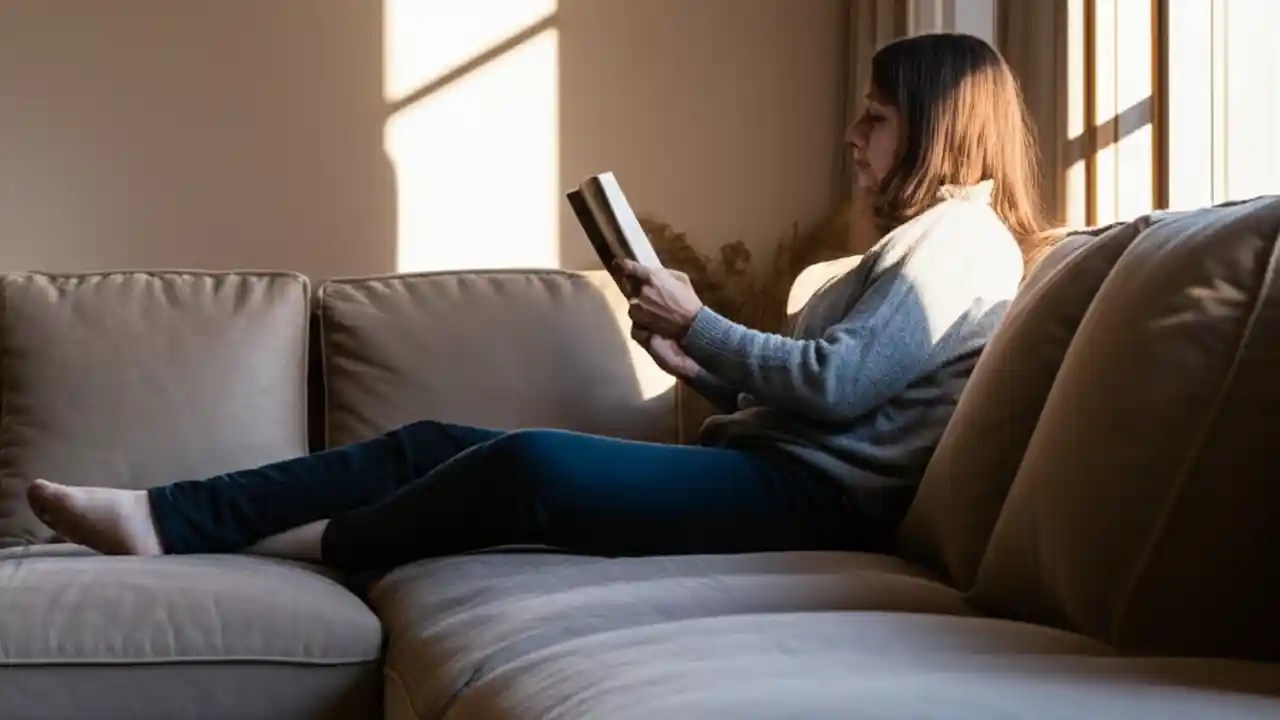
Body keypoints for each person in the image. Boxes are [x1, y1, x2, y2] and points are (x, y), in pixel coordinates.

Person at [27, 33, 1047, 571]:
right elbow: (834, 388)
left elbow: (833, 386)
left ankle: (287, 545)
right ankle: (168, 518)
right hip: (765, 471)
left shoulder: (958, 237)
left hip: (812, 507)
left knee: (525, 463)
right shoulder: (919, 241)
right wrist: (700, 362)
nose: (852, 139)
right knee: (431, 441)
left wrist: (700, 320)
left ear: (935, 130)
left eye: (872, 121)